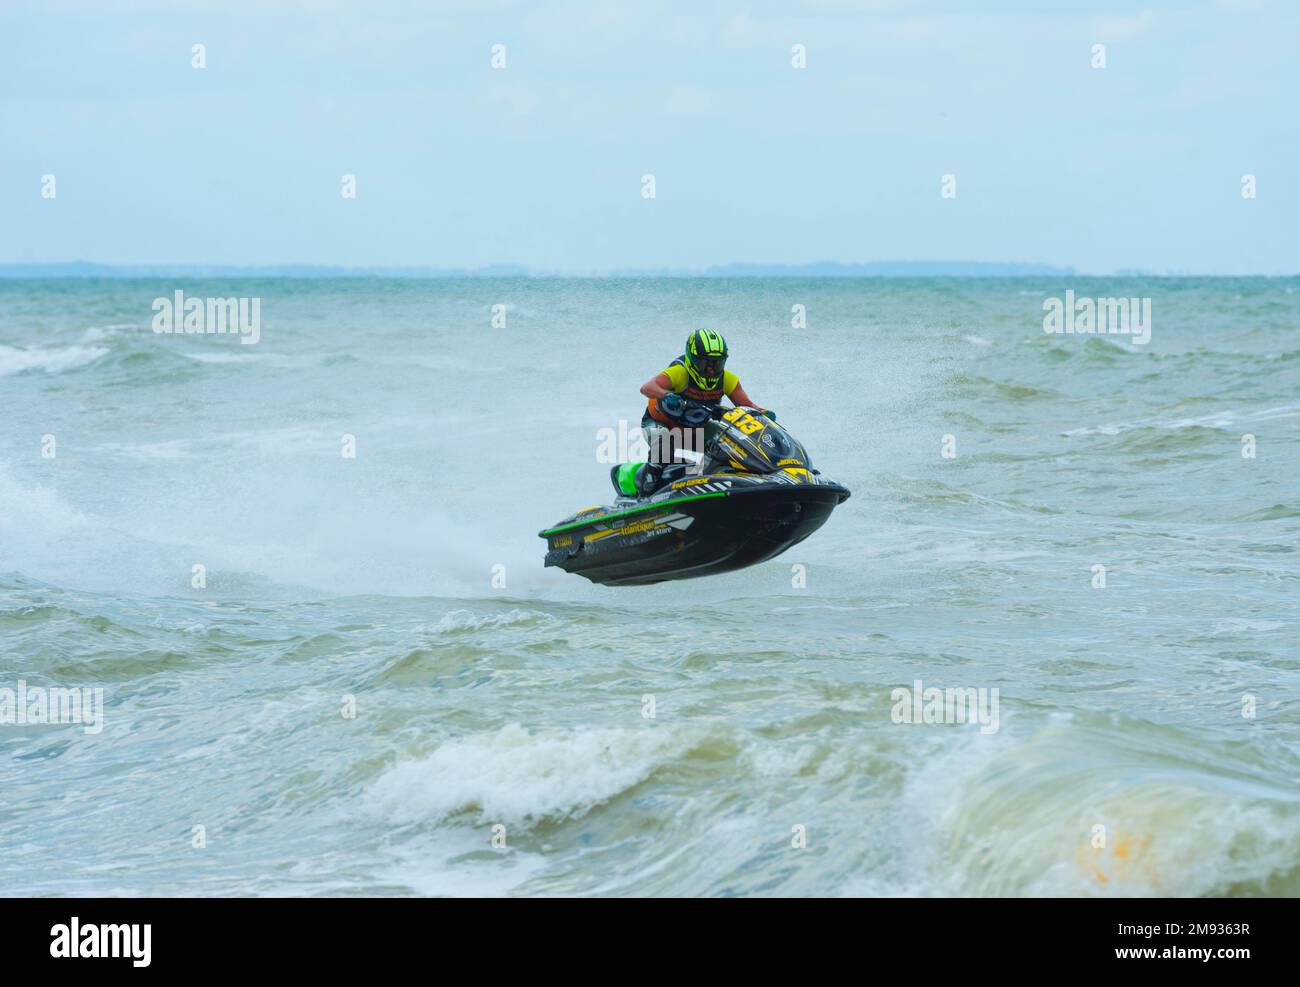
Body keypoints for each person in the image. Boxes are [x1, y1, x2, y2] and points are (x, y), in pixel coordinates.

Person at [638, 329, 761, 465]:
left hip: (695, 430)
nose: (711, 370)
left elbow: (747, 407)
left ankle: (713, 477)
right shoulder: (679, 372)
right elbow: (647, 388)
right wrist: (667, 395)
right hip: (659, 424)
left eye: (717, 363)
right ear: (692, 359)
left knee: (732, 449)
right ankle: (647, 481)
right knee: (664, 452)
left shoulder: (728, 379)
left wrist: (763, 416)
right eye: (705, 364)